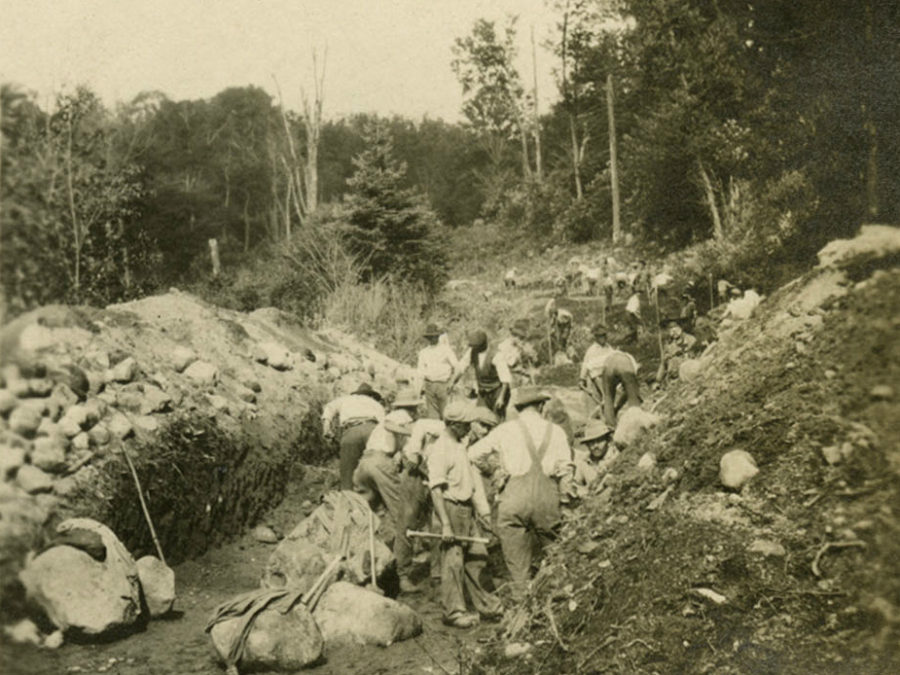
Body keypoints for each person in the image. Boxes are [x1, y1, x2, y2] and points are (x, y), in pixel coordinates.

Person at [468, 386, 574, 601]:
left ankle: (521, 604)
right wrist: (565, 503)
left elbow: (473, 453)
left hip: (513, 499)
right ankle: (557, 600)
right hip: (547, 500)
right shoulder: (556, 431)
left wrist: (494, 470)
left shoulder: (505, 430)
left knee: (517, 566)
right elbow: (566, 471)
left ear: (519, 409)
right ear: (542, 406)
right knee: (555, 555)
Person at [429, 401, 503, 627]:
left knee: (478, 557)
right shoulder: (440, 449)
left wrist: (479, 512)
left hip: (466, 509)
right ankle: (454, 612)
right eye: (463, 425)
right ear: (452, 425)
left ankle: (489, 607)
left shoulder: (459, 445)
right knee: (453, 562)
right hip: (450, 509)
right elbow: (436, 489)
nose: (468, 428)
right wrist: (445, 525)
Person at [352, 389, 424, 592]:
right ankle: (403, 576)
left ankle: (362, 571)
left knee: (365, 518)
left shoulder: (390, 417)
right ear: (411, 408)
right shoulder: (402, 417)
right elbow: (404, 441)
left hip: (364, 463)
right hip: (380, 464)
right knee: (404, 516)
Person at [321, 383, 386, 489]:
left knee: (348, 469)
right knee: (377, 468)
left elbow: (329, 408)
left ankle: (348, 496)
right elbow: (383, 425)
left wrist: (326, 426)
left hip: (352, 431)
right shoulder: (376, 404)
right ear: (371, 395)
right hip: (373, 431)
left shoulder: (346, 399)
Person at [579, 323, 642, 428]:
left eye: (604, 335)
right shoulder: (592, 350)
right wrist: (582, 379)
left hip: (607, 376)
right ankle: (600, 424)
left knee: (612, 399)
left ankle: (613, 414)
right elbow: (587, 365)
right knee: (600, 403)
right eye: (600, 336)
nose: (603, 338)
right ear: (596, 337)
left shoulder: (609, 348)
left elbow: (613, 359)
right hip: (596, 378)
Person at [451, 330, 512, 416]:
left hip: (497, 391)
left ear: (482, 345)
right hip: (483, 392)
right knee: (481, 416)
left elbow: (505, 380)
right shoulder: (472, 352)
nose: (474, 349)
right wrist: (453, 381)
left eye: (476, 347)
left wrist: (501, 398)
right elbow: (462, 367)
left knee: (496, 419)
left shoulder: (497, 355)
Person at [416, 323, 460, 419]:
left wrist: (452, 382)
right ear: (427, 338)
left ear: (438, 336)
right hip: (429, 386)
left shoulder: (446, 350)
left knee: (446, 415)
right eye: (430, 337)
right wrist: (418, 391)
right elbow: (420, 373)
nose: (432, 339)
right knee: (432, 417)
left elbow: (457, 367)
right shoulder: (423, 352)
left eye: (434, 336)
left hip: (443, 385)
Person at [572, 421, 617, 498]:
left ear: (607, 440)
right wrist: (582, 492)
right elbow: (575, 484)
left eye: (599, 440)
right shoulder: (584, 462)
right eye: (591, 442)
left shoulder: (615, 457)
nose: (595, 446)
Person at [497, 319, 537, 387]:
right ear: (514, 336)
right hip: (509, 379)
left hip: (522, 377)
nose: (521, 341)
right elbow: (511, 363)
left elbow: (534, 360)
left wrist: (530, 355)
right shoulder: (504, 346)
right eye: (520, 338)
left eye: (522, 338)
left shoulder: (520, 346)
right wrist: (520, 352)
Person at [656, 318, 698, 383]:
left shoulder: (690, 339)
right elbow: (663, 364)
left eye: (675, 327)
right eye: (670, 329)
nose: (674, 331)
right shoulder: (669, 346)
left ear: (681, 328)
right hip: (673, 376)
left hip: (688, 371)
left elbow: (696, 356)